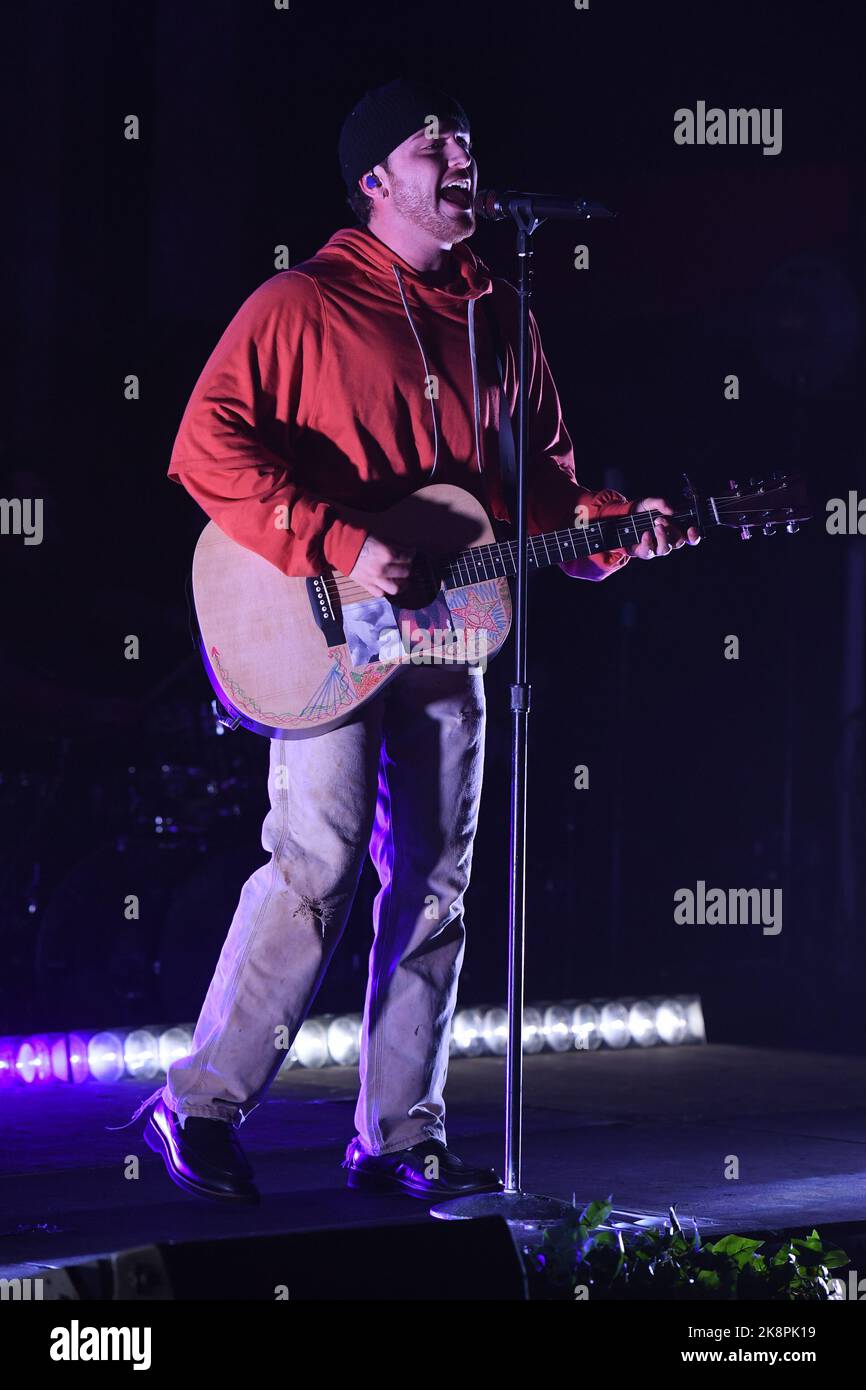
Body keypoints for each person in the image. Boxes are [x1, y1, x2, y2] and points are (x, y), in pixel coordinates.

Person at [122, 78, 699, 1205]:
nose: (459, 149)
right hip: (321, 629)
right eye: (430, 139)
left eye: (466, 134)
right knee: (318, 862)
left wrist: (617, 534)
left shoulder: (503, 314)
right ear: (375, 180)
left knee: (434, 884)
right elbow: (204, 446)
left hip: (451, 633)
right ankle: (197, 1102)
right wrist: (336, 540)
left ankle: (399, 1135)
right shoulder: (301, 302)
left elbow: (542, 502)